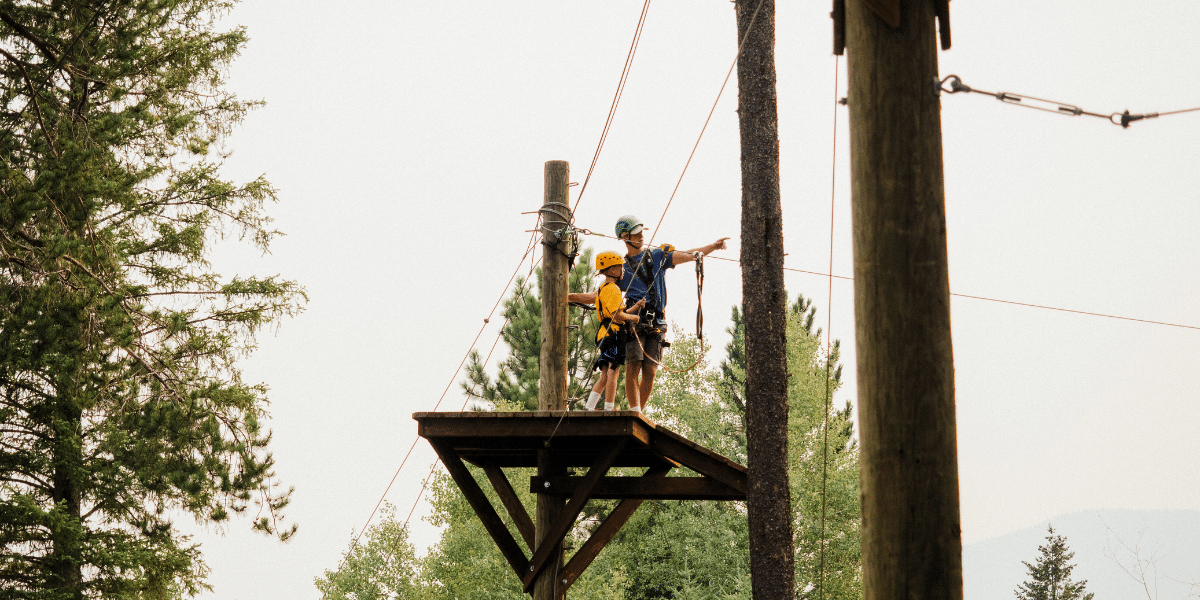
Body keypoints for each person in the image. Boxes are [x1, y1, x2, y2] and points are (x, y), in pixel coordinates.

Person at [613, 215, 728, 412]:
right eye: (636, 234)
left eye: (641, 233)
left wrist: (714, 246)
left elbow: (689, 255)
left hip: (657, 321)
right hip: (635, 319)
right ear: (625, 237)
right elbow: (604, 294)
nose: (641, 236)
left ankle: (637, 413)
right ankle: (635, 411)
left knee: (650, 371)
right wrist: (570, 296)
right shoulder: (622, 269)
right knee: (634, 366)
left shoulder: (657, 255)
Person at [584, 251, 645, 411]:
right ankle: (609, 408)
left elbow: (617, 312)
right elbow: (617, 315)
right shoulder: (613, 289)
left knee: (605, 375)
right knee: (613, 372)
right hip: (613, 335)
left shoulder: (603, 288)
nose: (623, 270)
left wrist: (635, 307)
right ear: (612, 270)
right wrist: (634, 318)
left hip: (605, 333)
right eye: (620, 267)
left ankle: (589, 408)